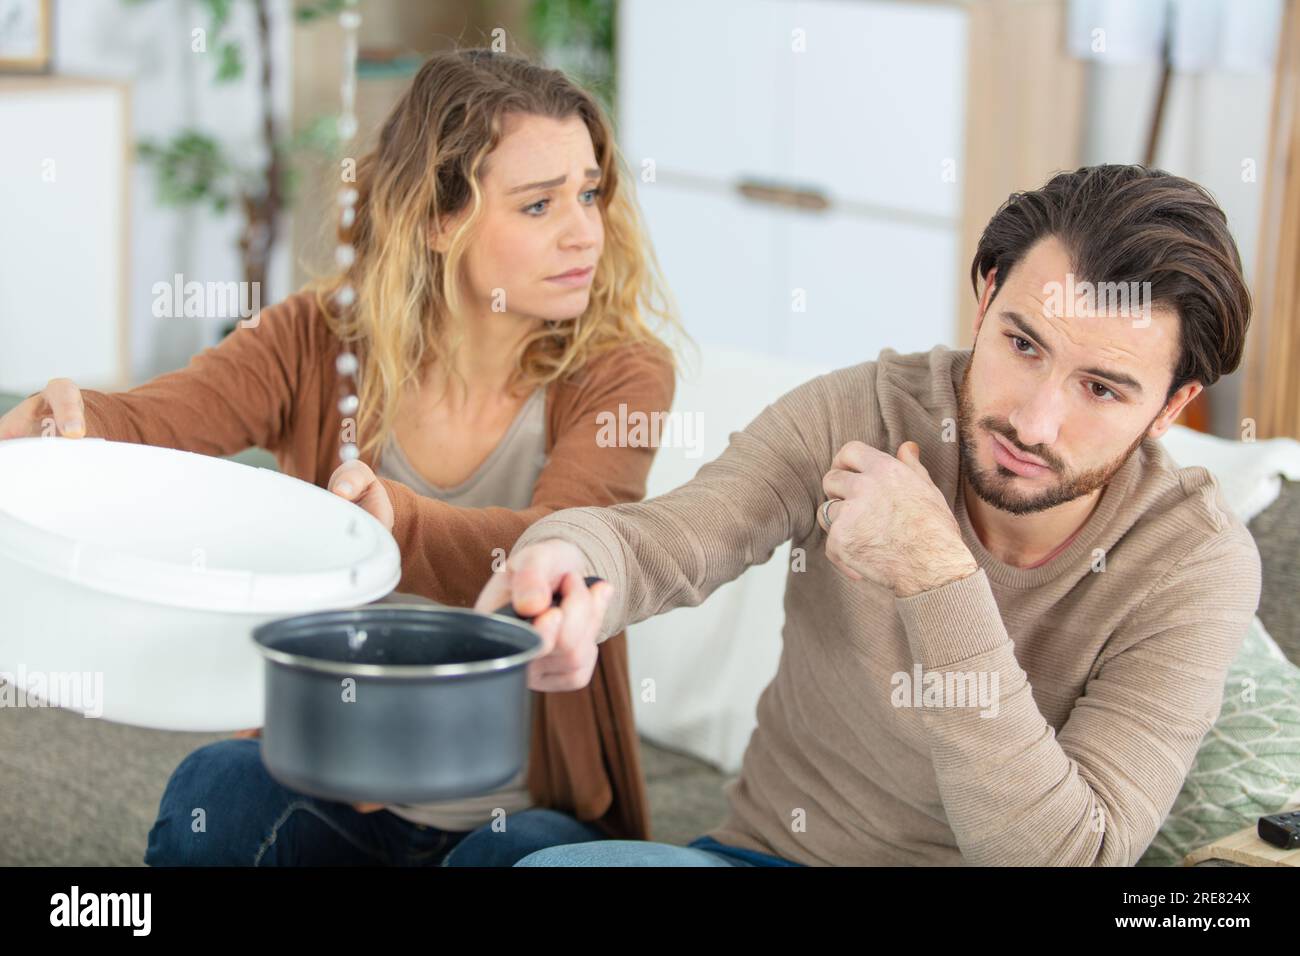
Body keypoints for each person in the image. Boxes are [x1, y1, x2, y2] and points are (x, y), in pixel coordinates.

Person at [0, 48, 680, 866]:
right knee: (214, 792)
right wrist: (72, 422)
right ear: (438, 221)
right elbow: (166, 417)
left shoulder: (624, 374)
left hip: (523, 816)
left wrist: (394, 526)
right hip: (338, 787)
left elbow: (560, 544)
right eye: (539, 204)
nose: (584, 232)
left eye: (590, 192)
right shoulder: (318, 337)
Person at [471, 165, 1263, 866]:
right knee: (508, 849)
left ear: (1172, 406)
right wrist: (566, 557)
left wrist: (938, 577)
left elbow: (1068, 857)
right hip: (767, 858)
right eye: (1024, 345)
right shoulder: (864, 411)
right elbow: (673, 538)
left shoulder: (1193, 563)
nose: (1033, 422)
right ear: (986, 297)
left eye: (1100, 388)